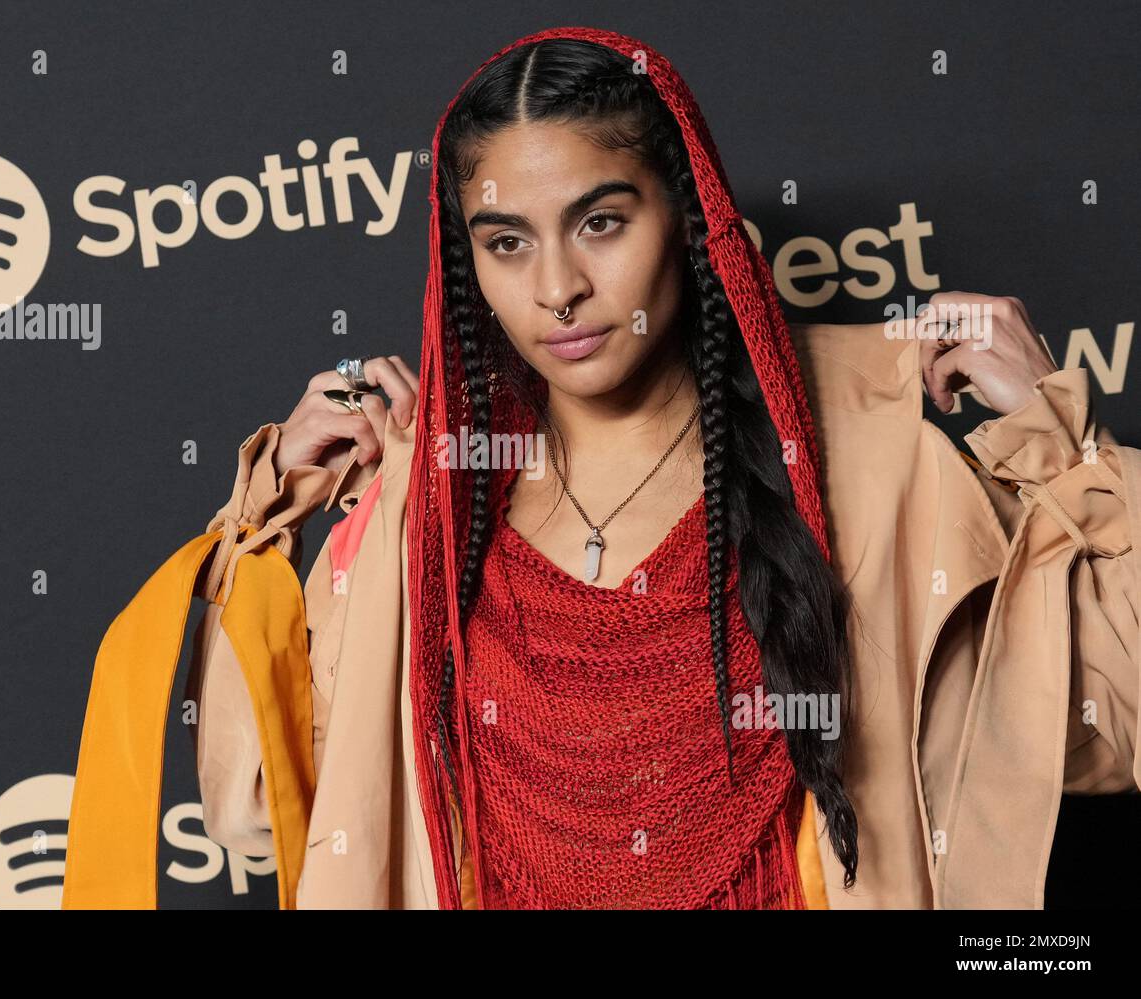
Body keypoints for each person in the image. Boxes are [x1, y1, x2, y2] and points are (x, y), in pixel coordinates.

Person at [192, 27, 1141, 909]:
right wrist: (265, 516)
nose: (557, 288)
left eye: (600, 222)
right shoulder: (426, 502)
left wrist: (1061, 439)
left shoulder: (863, 456)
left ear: (688, 216)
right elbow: (252, 812)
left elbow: (1106, 731)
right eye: (507, 242)